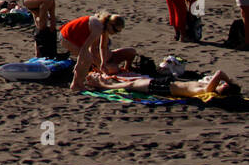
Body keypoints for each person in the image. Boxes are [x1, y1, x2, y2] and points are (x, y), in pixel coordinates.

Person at [61, 12, 131, 92]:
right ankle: (76, 84)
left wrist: (102, 63)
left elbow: (103, 47)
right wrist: (78, 63)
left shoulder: (104, 28)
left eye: (118, 32)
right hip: (66, 36)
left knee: (88, 59)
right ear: (110, 24)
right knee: (87, 59)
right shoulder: (98, 28)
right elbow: (86, 48)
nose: (115, 33)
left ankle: (78, 84)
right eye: (115, 30)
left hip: (73, 37)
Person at [83, 68, 240, 100]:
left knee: (132, 85)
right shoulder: (210, 89)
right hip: (168, 84)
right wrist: (229, 84)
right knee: (134, 81)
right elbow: (219, 74)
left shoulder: (209, 89)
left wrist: (229, 82)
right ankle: (106, 83)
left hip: (165, 88)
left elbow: (219, 73)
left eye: (224, 85)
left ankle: (103, 86)